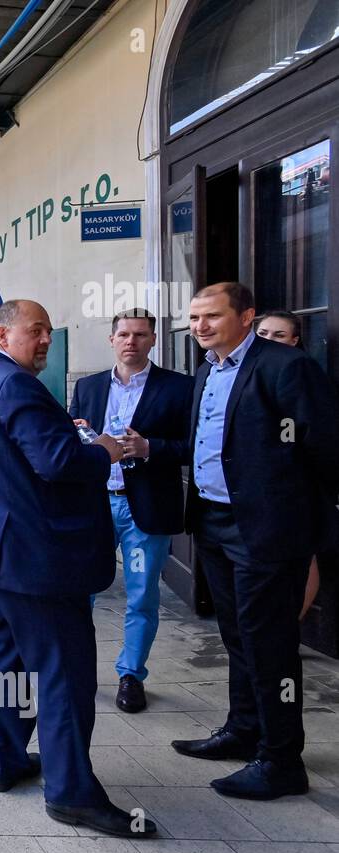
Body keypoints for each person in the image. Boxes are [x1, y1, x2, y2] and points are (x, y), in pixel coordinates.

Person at [0, 300, 156, 838]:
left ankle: (5, 761)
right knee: (62, 674)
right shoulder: (14, 384)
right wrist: (104, 449)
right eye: (34, 331)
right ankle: (71, 794)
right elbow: (57, 462)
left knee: (3, 661)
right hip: (34, 559)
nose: (44, 340)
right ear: (2, 332)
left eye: (46, 332)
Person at [171, 283, 339, 801]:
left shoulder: (285, 367)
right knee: (237, 635)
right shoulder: (207, 371)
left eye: (211, 316)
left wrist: (302, 516)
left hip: (266, 530)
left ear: (246, 316)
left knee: (269, 645)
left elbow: (325, 447)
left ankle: (282, 760)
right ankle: (244, 730)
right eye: (194, 317)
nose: (199, 326)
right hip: (215, 523)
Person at [70, 309, 194, 714]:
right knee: (82, 591)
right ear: (111, 339)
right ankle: (78, 671)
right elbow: (73, 439)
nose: (131, 341)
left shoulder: (178, 388)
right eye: (123, 334)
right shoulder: (87, 387)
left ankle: (131, 675)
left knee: (142, 595)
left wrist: (150, 448)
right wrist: (81, 434)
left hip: (147, 506)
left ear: (153, 339)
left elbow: (192, 446)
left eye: (140, 335)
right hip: (96, 504)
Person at [254, 309, 322, 617]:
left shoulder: (300, 371)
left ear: (294, 341)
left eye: (279, 335)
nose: (269, 340)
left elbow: (312, 434)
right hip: (254, 490)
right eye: (263, 334)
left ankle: (291, 627)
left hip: (294, 486)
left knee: (302, 559)